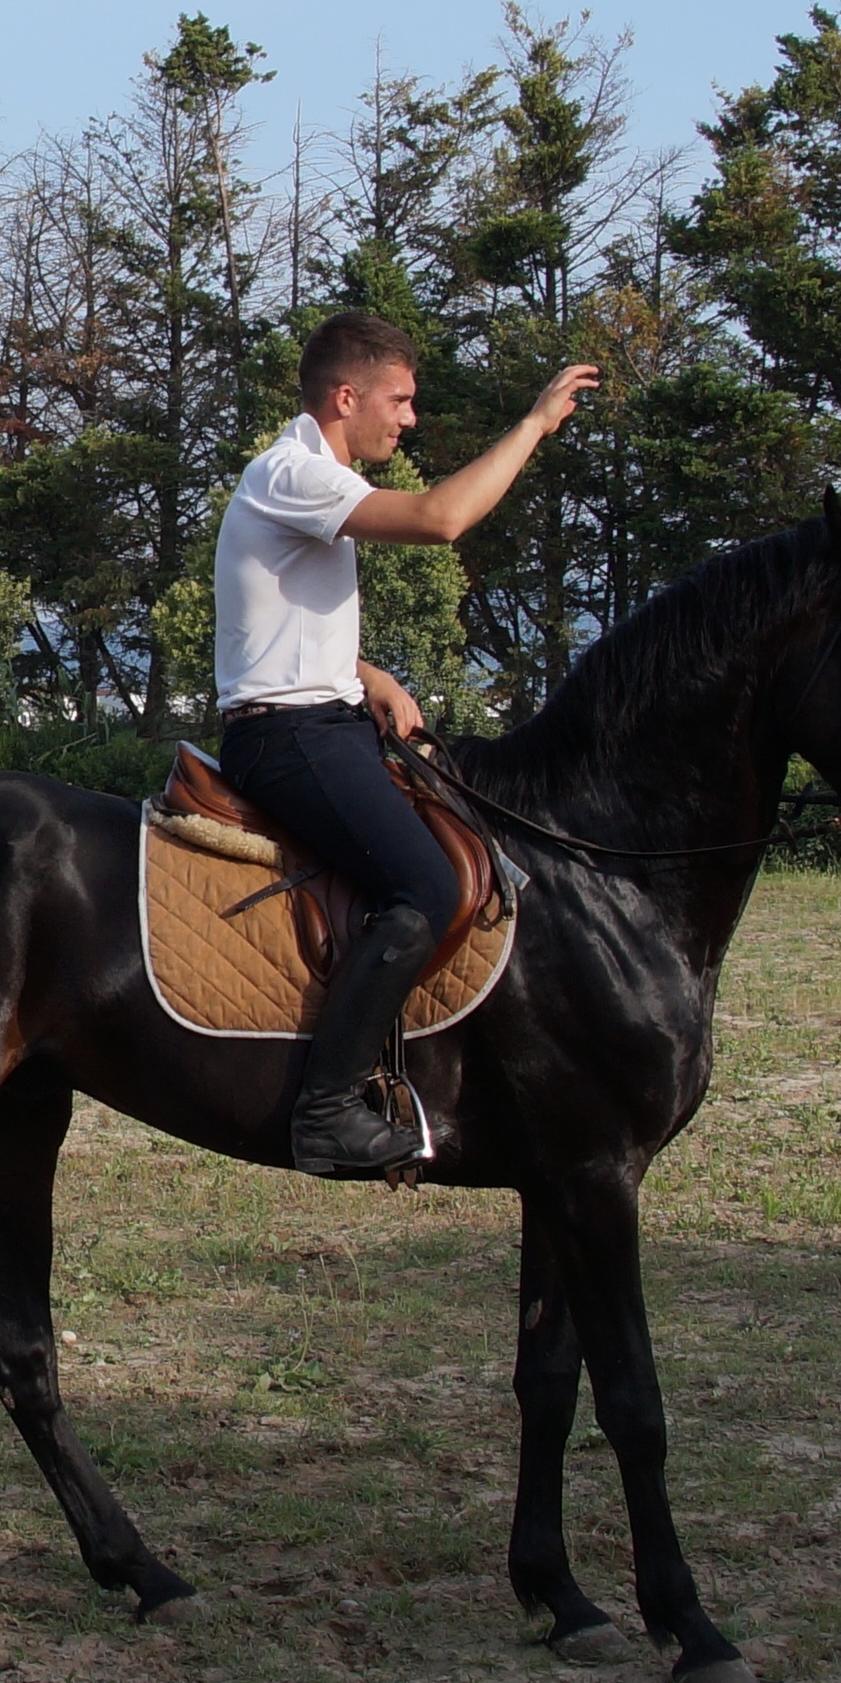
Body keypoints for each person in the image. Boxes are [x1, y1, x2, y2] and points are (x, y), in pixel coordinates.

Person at [217, 311, 597, 1175]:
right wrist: (534, 424)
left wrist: (370, 675)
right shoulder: (292, 472)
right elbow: (439, 518)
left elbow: (275, 620)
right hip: (290, 739)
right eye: (400, 398)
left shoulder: (308, 479)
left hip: (327, 720)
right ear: (345, 397)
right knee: (424, 884)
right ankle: (324, 1112)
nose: (409, 417)